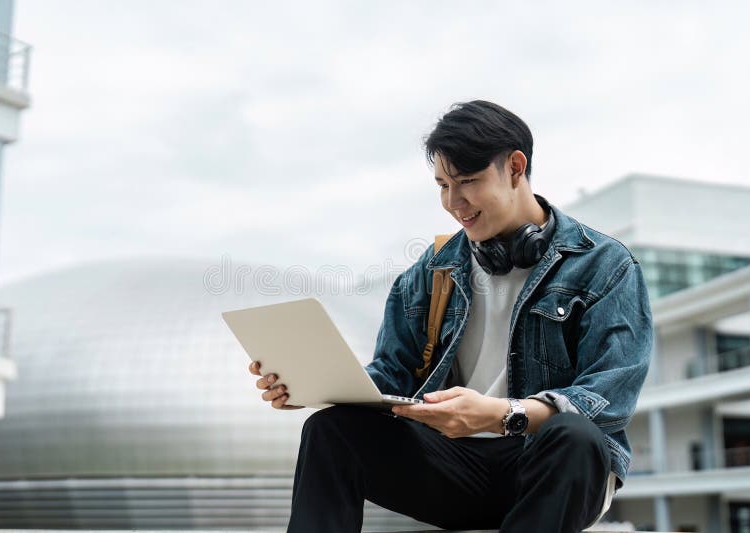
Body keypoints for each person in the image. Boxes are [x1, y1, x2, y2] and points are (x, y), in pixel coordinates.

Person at [248, 100, 653, 532]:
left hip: (549, 468)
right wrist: (313, 386)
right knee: (329, 429)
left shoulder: (604, 265)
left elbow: (607, 401)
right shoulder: (436, 266)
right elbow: (393, 373)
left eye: (468, 182)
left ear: (516, 167)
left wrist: (501, 414)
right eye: (442, 185)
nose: (453, 202)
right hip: (455, 469)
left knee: (575, 435)